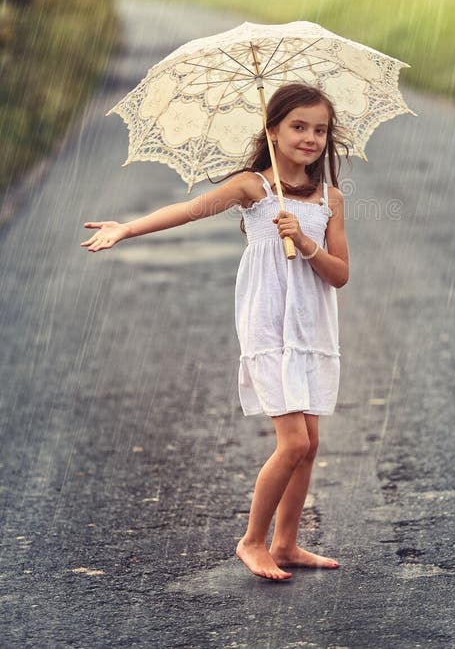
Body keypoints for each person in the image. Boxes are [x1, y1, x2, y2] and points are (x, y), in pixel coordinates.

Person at [81, 83, 351, 581]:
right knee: (293, 443)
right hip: (268, 326)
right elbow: (190, 210)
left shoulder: (329, 199)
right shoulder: (253, 187)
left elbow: (340, 275)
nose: (310, 138)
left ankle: (286, 543)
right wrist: (128, 228)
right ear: (272, 131)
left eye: (320, 130)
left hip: (311, 327)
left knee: (310, 444)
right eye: (298, 127)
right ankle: (252, 541)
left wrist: (305, 242)